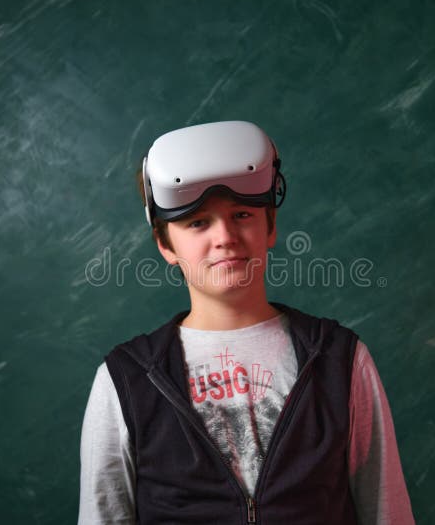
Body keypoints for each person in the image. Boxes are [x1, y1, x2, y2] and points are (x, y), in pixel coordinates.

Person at [78, 121, 415, 524]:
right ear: (165, 244)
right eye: (198, 223)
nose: (225, 236)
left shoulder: (340, 360)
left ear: (270, 226)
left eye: (242, 214)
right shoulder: (126, 381)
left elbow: (389, 514)